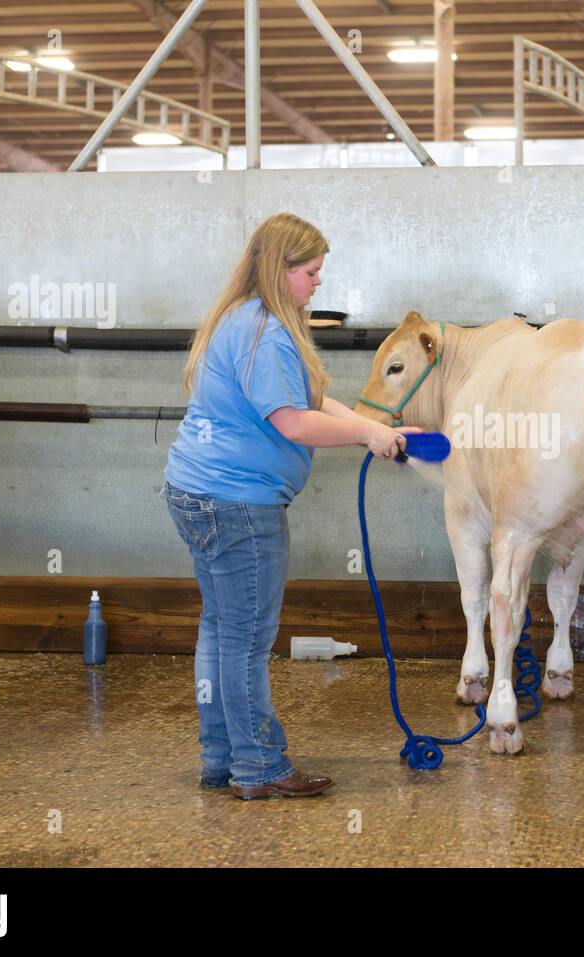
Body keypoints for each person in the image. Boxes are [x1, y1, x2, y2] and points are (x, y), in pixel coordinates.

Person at [161, 212, 417, 799]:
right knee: (247, 640)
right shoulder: (267, 332)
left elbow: (313, 396)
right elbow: (295, 421)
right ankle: (259, 768)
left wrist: (377, 426)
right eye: (309, 271)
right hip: (236, 504)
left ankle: (220, 759)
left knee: (222, 631)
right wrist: (364, 438)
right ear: (281, 270)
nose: (317, 283)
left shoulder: (243, 318)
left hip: (198, 492)